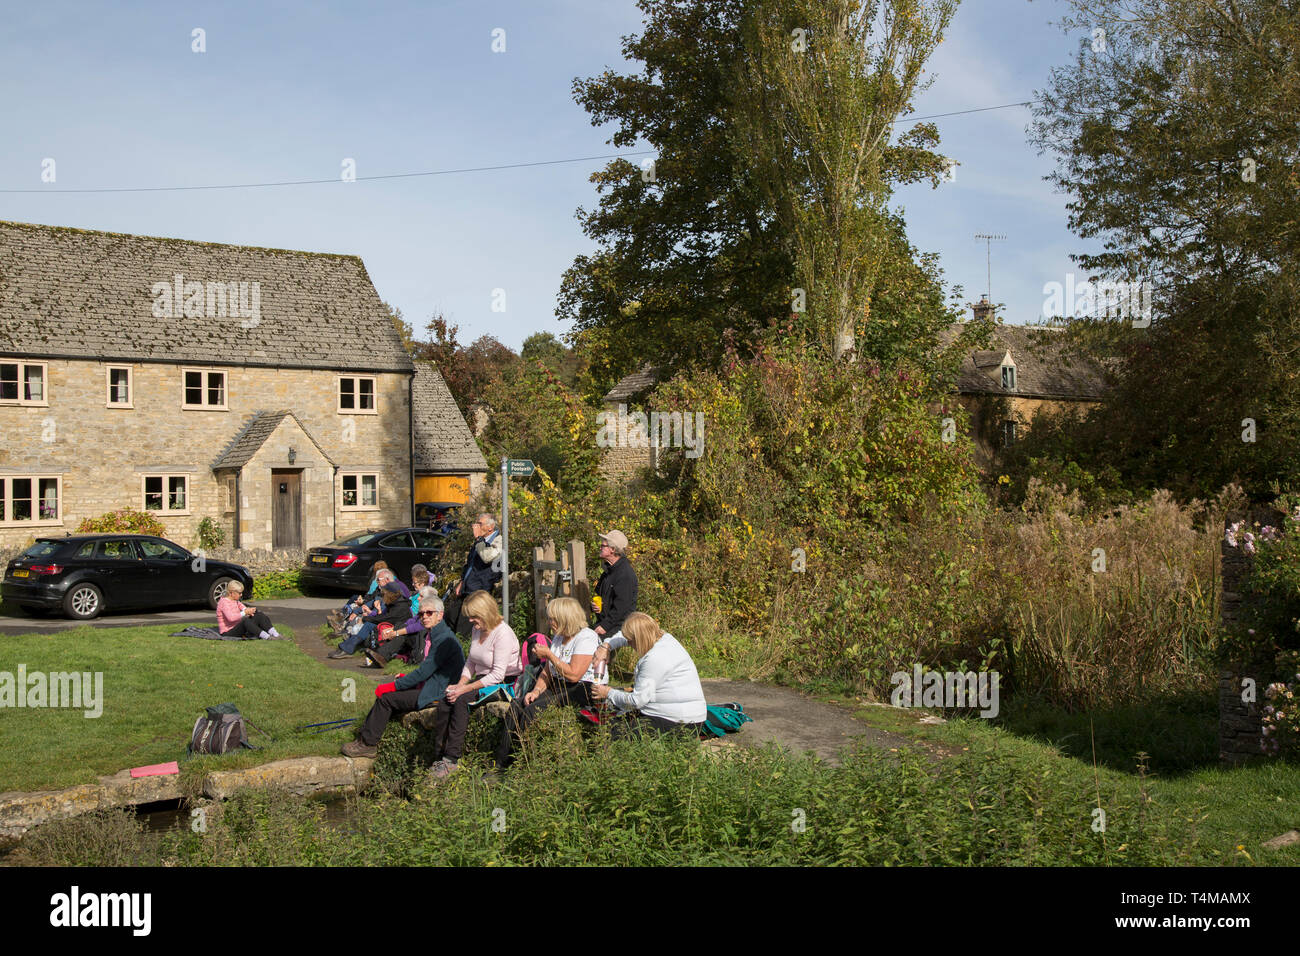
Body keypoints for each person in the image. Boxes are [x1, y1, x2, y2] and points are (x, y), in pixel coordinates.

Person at [491, 596, 607, 772]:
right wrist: (536, 690)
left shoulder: (586, 637)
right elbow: (547, 671)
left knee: (531, 711)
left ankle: (520, 764)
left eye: (552, 618)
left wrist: (550, 655)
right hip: (560, 684)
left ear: (565, 618)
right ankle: (501, 763)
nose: (549, 622)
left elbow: (574, 674)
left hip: (581, 688)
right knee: (518, 704)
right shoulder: (560, 638)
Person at [342, 595, 465, 758]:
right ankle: (365, 735)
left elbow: (423, 672)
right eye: (421, 614)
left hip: (437, 692)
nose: (424, 617)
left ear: (440, 614)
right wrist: (405, 679)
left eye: (429, 613)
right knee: (393, 693)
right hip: (433, 685)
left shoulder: (443, 639)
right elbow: (428, 670)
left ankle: (367, 744)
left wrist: (392, 686)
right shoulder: (437, 633)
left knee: (386, 699)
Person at [426, 590, 522, 781]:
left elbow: (497, 674)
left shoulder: (502, 633)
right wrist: (459, 683)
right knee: (446, 701)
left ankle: (452, 759)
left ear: (486, 612)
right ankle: (440, 755)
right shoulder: (477, 629)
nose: (470, 621)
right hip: (483, 678)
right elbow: (471, 661)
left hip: (503, 683)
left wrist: (465, 689)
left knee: (461, 701)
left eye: (474, 616)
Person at [591, 612, 705, 738]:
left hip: (679, 722)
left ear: (638, 639)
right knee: (613, 721)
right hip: (682, 715)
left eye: (630, 640)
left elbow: (636, 701)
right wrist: (606, 646)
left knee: (609, 733)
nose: (628, 644)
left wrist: (608, 692)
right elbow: (623, 637)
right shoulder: (663, 637)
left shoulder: (654, 658)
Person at [589, 530, 637, 675]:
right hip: (605, 622)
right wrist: (595, 606)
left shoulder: (625, 574)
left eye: (603, 545)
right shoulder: (608, 572)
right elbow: (599, 594)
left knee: (593, 646)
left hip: (619, 626)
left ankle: (598, 682)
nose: (600, 547)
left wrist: (605, 625)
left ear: (613, 550)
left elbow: (623, 607)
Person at [446, 513, 502, 636]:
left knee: (463, 627)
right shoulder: (480, 541)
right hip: (468, 588)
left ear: (490, 527)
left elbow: (487, 557)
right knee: (450, 617)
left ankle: (463, 652)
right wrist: (462, 582)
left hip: (479, 590)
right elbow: (469, 563)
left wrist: (478, 540)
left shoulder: (499, 540)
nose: (475, 526)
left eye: (479, 524)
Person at [364, 585, 439, 667]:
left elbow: (418, 626)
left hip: (423, 640)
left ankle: (382, 655)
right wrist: (393, 629)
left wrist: (396, 632)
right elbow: (411, 621)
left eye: (421, 596)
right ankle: (381, 655)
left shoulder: (431, 612)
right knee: (400, 625)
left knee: (403, 633)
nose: (418, 598)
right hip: (417, 637)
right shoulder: (423, 610)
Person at [329, 586, 408, 658]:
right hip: (391, 625)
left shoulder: (400, 607)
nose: (383, 597)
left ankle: (347, 648)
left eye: (384, 594)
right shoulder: (394, 603)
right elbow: (383, 617)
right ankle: (346, 647)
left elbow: (385, 619)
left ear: (390, 595)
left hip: (397, 631)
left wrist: (366, 618)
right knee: (369, 623)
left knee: (369, 624)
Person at [327, 560, 388, 630]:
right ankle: (341, 616)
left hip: (371, 606)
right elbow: (371, 595)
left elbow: (373, 598)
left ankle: (341, 618)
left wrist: (363, 601)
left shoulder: (380, 585)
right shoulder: (380, 583)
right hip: (369, 601)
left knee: (355, 604)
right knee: (355, 598)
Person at [215, 581, 280, 640]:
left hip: (237, 627)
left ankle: (276, 634)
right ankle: (267, 637)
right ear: (232, 593)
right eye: (239, 593)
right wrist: (245, 612)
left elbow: (242, 606)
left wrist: (249, 610)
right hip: (228, 632)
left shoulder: (235, 600)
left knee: (259, 614)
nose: (241, 595)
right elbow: (231, 618)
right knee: (245, 621)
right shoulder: (224, 603)